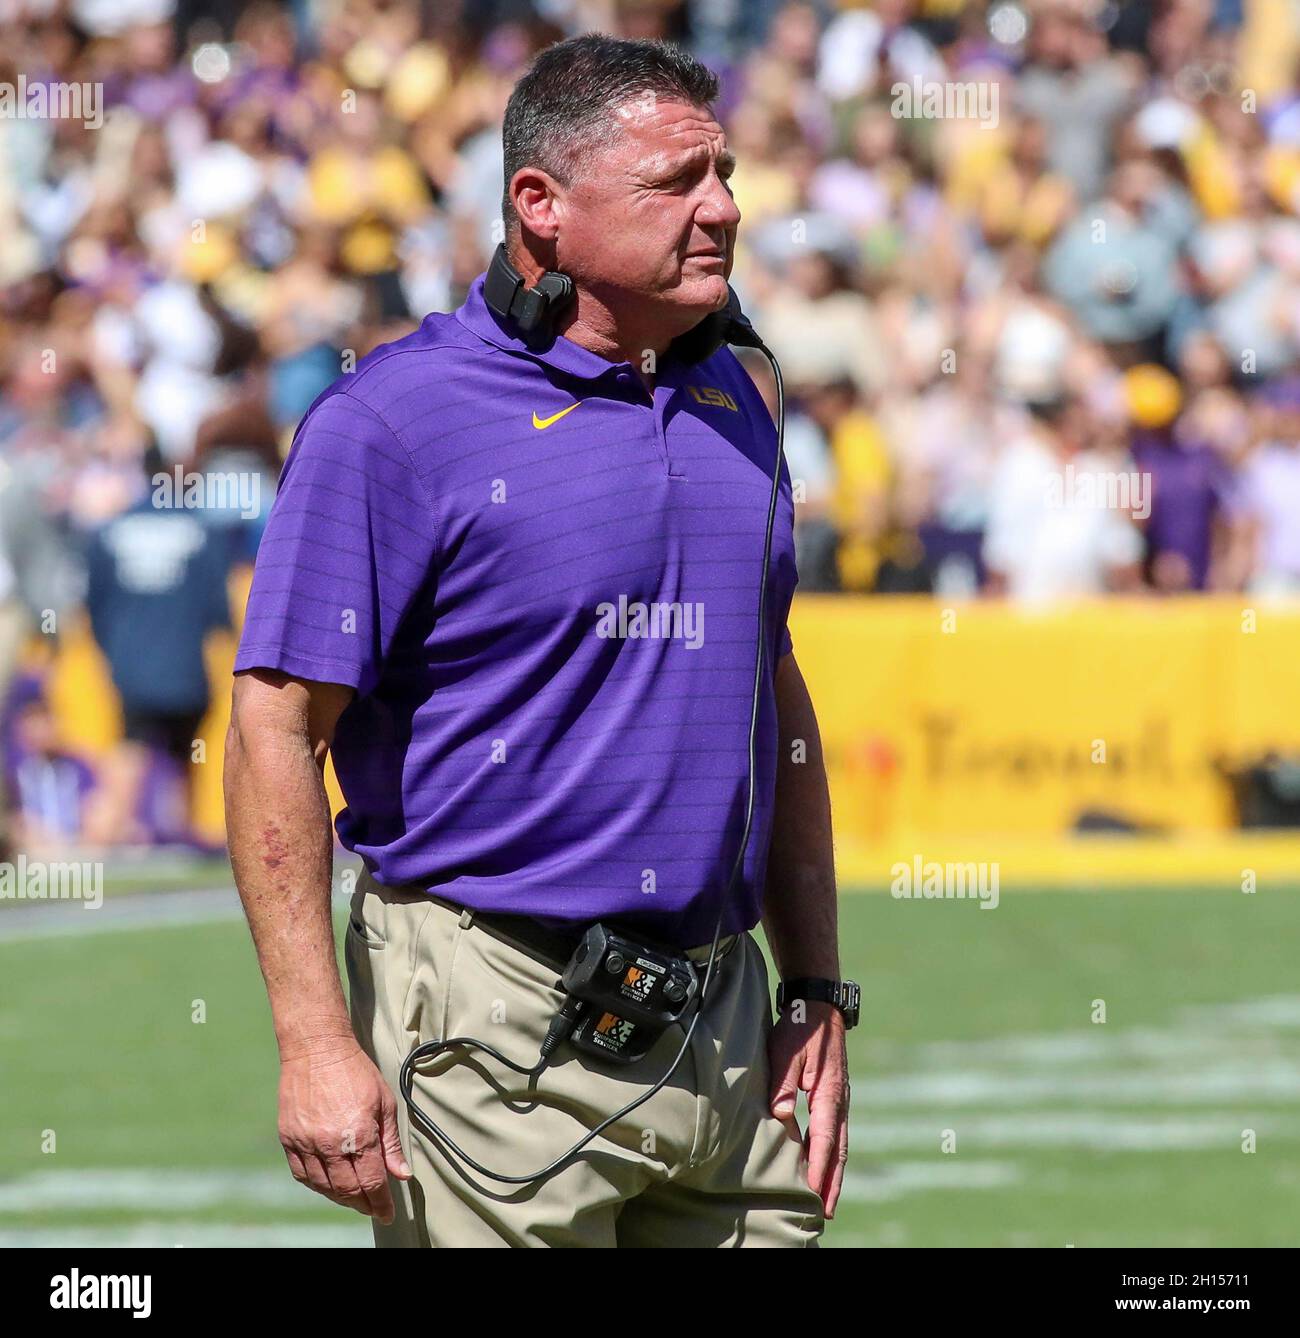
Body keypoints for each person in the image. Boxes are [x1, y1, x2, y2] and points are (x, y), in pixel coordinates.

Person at [225, 33, 852, 1249]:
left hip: (725, 1019)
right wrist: (312, 1042)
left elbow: (772, 700)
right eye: (675, 182)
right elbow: (273, 727)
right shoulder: (392, 423)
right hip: (488, 1011)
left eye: (722, 172)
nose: (722, 207)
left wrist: (817, 986)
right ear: (540, 207)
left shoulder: (742, 393)